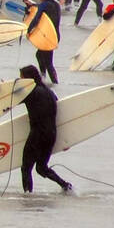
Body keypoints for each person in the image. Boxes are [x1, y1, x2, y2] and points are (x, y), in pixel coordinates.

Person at [16, 65, 72, 194]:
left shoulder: (30, 92)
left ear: (28, 78)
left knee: (26, 168)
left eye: (22, 78)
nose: (20, 80)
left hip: (37, 134)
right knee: (41, 168)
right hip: (51, 134)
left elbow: (12, 101)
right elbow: (61, 111)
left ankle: (27, 195)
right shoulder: (49, 92)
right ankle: (66, 186)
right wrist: (67, 140)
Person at [27, 0, 60, 84]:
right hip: (55, 35)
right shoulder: (56, 4)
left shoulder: (44, 5)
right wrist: (32, 5)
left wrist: (29, 30)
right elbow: (42, 6)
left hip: (47, 36)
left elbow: (37, 18)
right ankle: (45, 78)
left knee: (47, 60)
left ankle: (52, 81)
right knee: (41, 55)